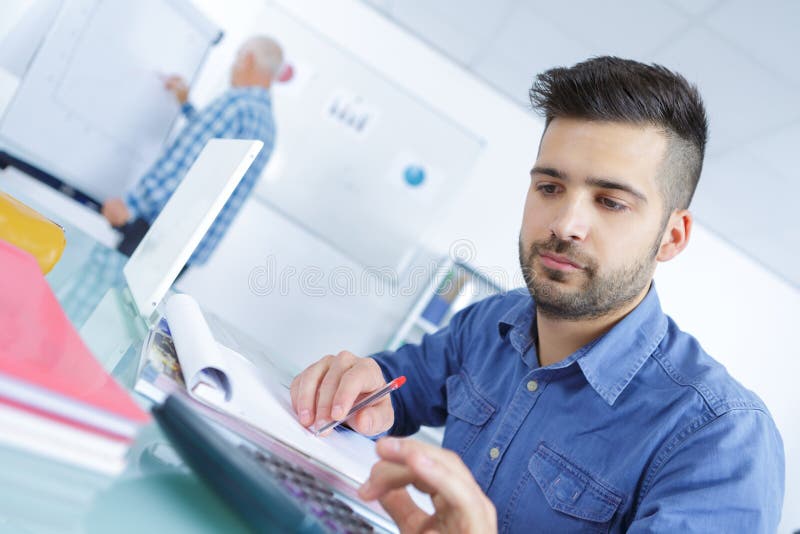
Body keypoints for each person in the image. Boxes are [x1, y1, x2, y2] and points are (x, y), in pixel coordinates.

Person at [289, 57, 785, 533]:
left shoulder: (720, 437)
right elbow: (406, 383)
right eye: (550, 187)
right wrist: (362, 387)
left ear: (672, 237)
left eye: (610, 202)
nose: (565, 225)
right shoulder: (492, 323)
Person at [101, 36, 282, 267]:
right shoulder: (267, 125)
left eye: (236, 57)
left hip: (153, 235)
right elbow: (213, 153)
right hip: (184, 250)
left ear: (248, 60)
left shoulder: (235, 105)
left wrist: (132, 210)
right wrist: (186, 105)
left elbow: (186, 166)